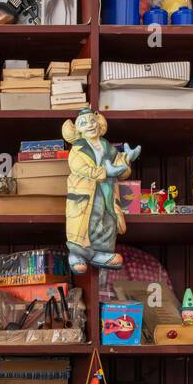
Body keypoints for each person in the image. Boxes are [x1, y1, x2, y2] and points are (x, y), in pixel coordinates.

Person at [63, 108, 140, 275]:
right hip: (85, 191)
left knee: (106, 219)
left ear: (99, 124)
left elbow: (120, 169)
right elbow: (79, 167)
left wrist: (126, 159)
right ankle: (77, 254)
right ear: (78, 130)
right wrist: (105, 172)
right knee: (84, 221)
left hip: (106, 190)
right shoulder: (78, 148)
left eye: (92, 121)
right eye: (84, 123)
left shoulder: (107, 146)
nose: (90, 125)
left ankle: (101, 253)